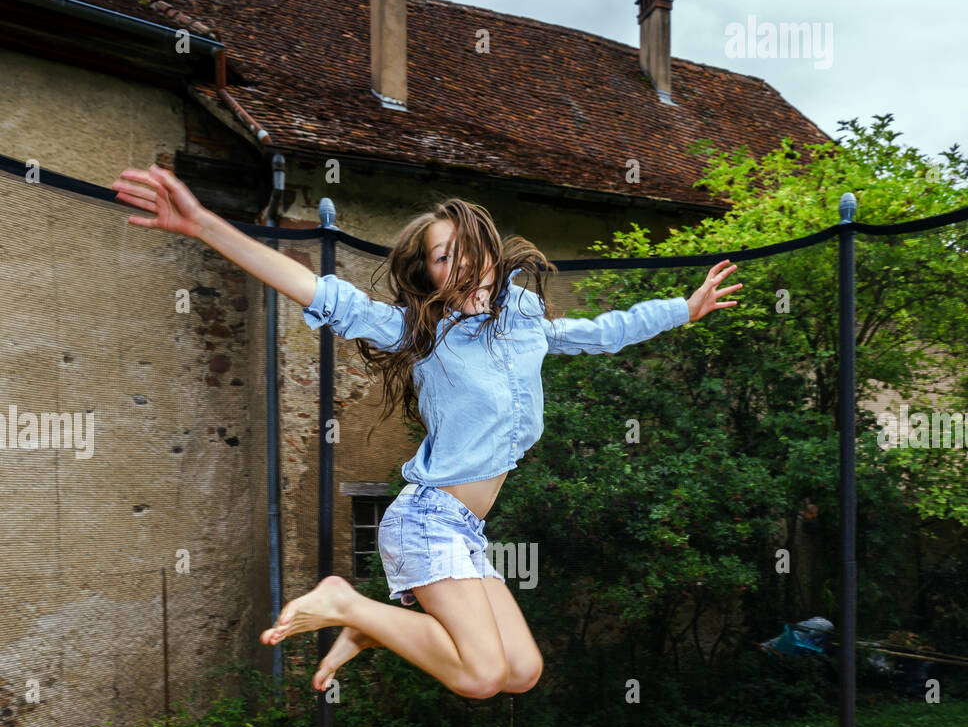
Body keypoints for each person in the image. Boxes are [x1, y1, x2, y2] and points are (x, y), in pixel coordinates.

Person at [110, 166, 741, 699]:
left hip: (466, 531)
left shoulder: (526, 322)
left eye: (466, 247)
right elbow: (319, 291)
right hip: (426, 521)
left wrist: (683, 310)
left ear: (489, 252)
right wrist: (204, 225)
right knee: (480, 673)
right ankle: (351, 606)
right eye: (442, 257)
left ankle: (367, 624)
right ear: (430, 277)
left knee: (521, 671)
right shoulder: (422, 335)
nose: (459, 262)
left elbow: (603, 332)